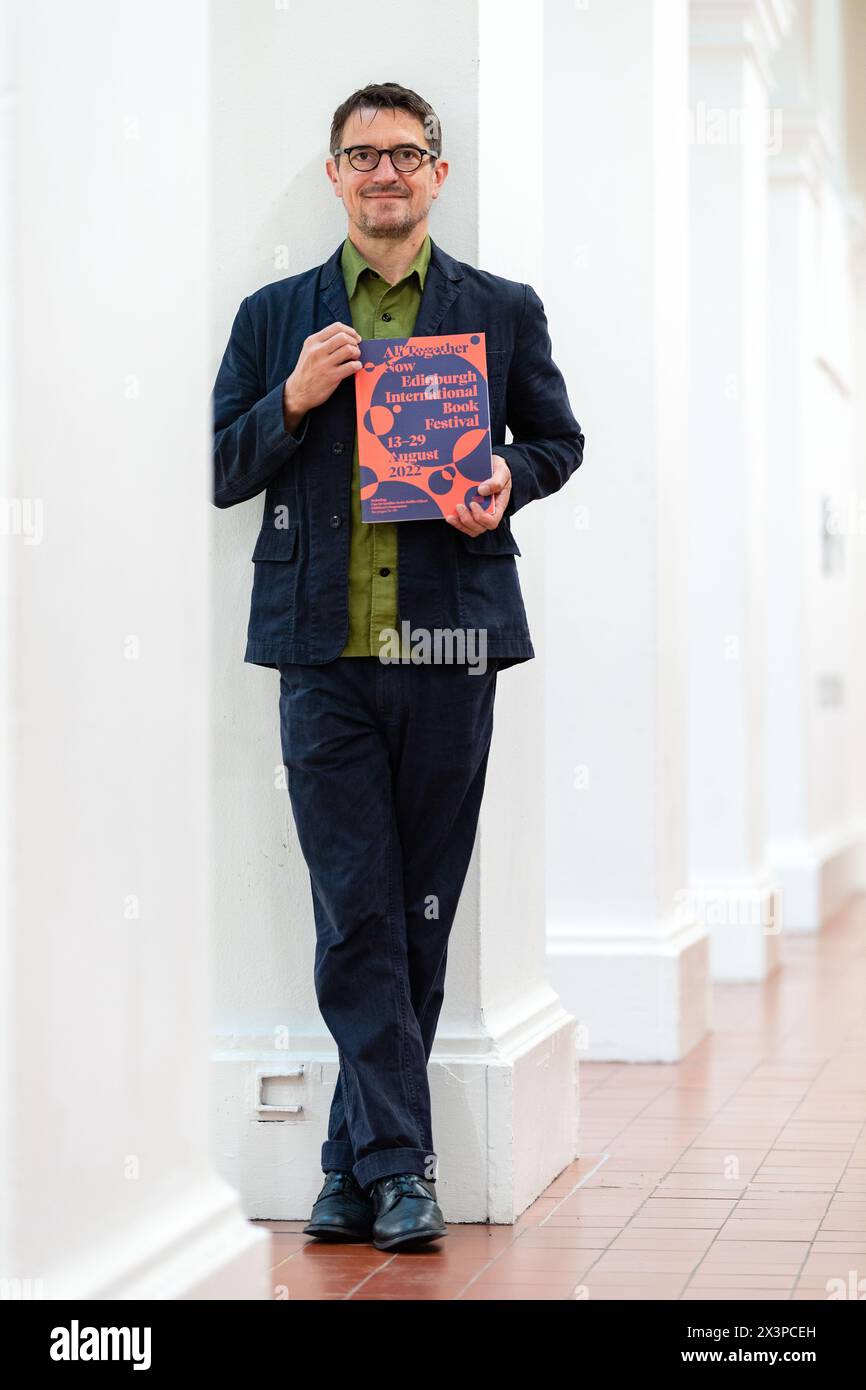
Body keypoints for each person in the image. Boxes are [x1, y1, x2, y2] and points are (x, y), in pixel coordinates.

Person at [212, 81, 584, 1252]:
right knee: (353, 911)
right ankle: (399, 1168)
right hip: (319, 651)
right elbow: (223, 465)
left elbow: (558, 441)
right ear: (333, 175)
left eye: (406, 154)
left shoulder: (500, 310)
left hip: (450, 639)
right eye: (361, 155)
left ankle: (344, 1163)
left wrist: (502, 484)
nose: (384, 173)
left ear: (436, 174)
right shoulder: (276, 316)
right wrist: (295, 397)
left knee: (417, 912)